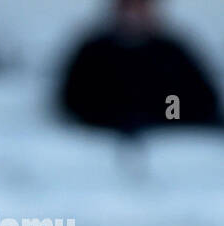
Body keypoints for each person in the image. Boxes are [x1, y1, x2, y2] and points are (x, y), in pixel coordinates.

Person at [60, 0, 220, 133]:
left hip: (169, 140)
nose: (133, 15)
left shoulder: (173, 53)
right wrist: (109, 118)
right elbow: (74, 101)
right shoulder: (93, 53)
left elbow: (199, 99)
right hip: (101, 141)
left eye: (140, 7)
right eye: (128, 7)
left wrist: (169, 117)